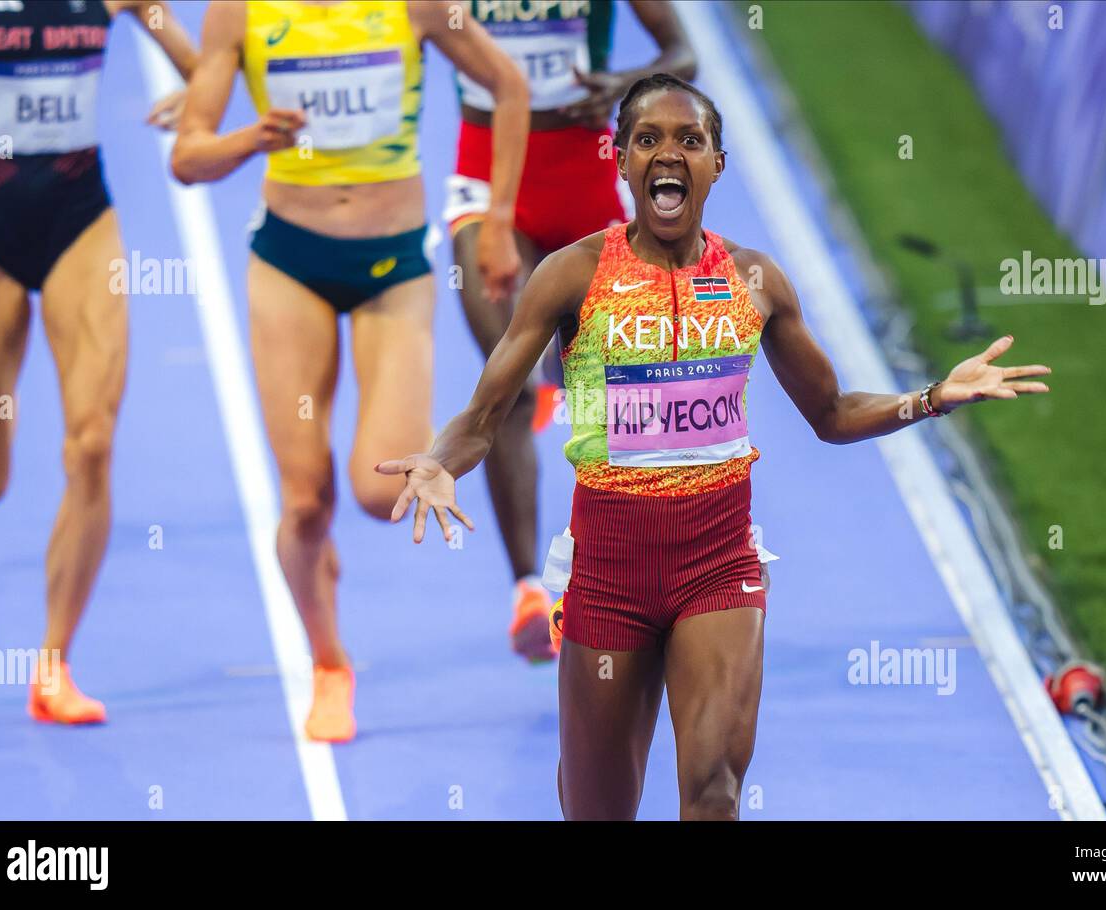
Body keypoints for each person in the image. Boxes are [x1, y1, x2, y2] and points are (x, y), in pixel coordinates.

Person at [377, 74, 1053, 819]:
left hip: (717, 564)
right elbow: (484, 416)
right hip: (608, 573)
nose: (669, 154)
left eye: (690, 140)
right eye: (648, 140)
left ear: (716, 164)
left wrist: (931, 398)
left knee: (714, 793)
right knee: (597, 809)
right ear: (622, 161)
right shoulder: (572, 275)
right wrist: (439, 459)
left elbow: (831, 412)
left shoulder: (754, 280)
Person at [171, 0, 528, 743]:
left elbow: (508, 84)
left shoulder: (416, 6)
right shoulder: (238, 13)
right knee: (305, 502)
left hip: (391, 268)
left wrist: (498, 220)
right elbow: (188, 156)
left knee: (379, 489)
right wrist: (250, 138)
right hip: (289, 265)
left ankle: (339, 560)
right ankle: (329, 661)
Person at [0, 0, 196, 725]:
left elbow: (206, 65)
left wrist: (200, 95)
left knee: (91, 442)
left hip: (79, 221)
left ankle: (53, 664)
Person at [444, 0, 695, 663]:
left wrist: (627, 86)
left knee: (624, 392)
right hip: (486, 176)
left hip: (584, 176)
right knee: (508, 383)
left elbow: (683, 54)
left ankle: (635, 571)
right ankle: (529, 590)